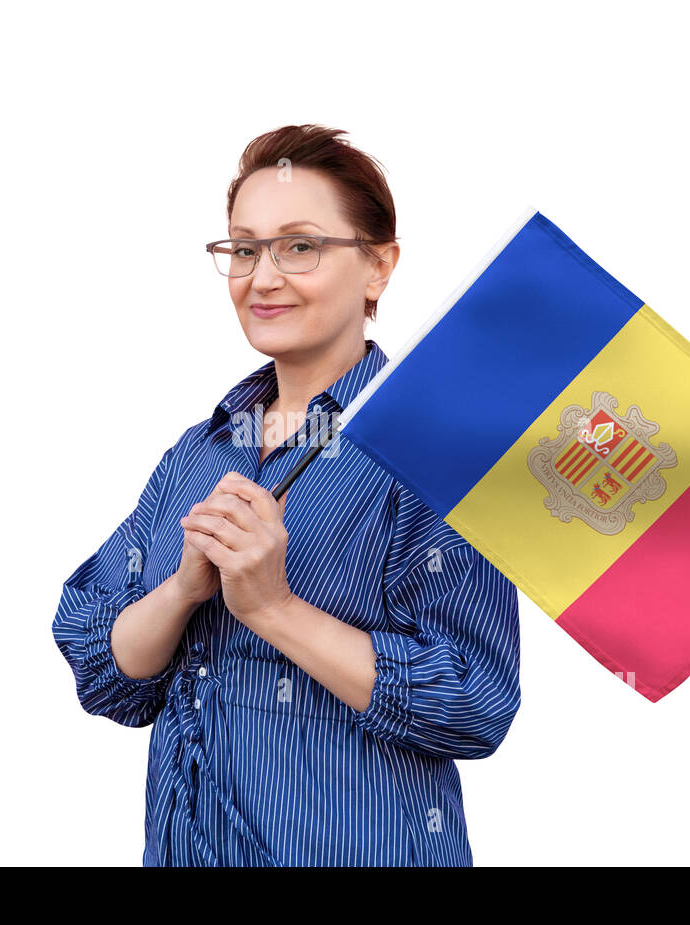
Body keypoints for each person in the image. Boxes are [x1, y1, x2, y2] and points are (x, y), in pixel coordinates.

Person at [52, 124, 521, 866]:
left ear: (378, 267)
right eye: (243, 249)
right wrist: (180, 592)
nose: (262, 277)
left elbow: (473, 704)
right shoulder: (199, 452)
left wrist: (272, 607)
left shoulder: (434, 456)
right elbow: (106, 672)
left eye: (299, 246)